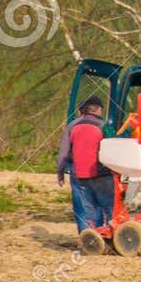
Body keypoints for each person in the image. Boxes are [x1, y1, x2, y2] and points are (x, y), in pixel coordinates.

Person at [56, 96, 113, 233]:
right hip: (102, 175)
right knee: (110, 209)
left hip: (79, 175)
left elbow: (64, 152)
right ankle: (112, 236)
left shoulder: (72, 126)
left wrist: (60, 171)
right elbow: (115, 147)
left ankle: (88, 239)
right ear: (98, 109)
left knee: (85, 211)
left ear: (82, 111)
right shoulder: (104, 126)